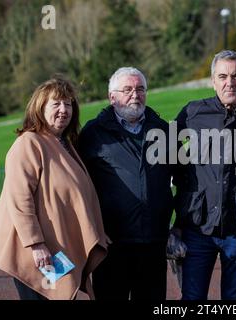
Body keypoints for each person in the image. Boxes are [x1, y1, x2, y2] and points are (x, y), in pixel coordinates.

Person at [0, 77, 108, 300]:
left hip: (58, 249)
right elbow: (19, 198)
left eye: (68, 104)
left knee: (58, 293)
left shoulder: (66, 144)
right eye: (56, 104)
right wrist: (36, 244)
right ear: (40, 108)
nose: (64, 110)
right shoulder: (29, 143)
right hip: (38, 253)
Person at [172, 50, 236, 300]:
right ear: (213, 81)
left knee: (234, 297)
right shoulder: (192, 113)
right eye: (223, 76)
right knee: (192, 297)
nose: (230, 82)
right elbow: (166, 153)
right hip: (198, 227)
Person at [78, 67, 175, 300]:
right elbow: (78, 186)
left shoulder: (162, 130)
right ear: (112, 97)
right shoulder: (93, 132)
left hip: (153, 242)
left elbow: (185, 177)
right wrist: (92, 228)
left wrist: (178, 223)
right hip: (112, 244)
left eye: (141, 89)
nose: (135, 95)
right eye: (128, 89)